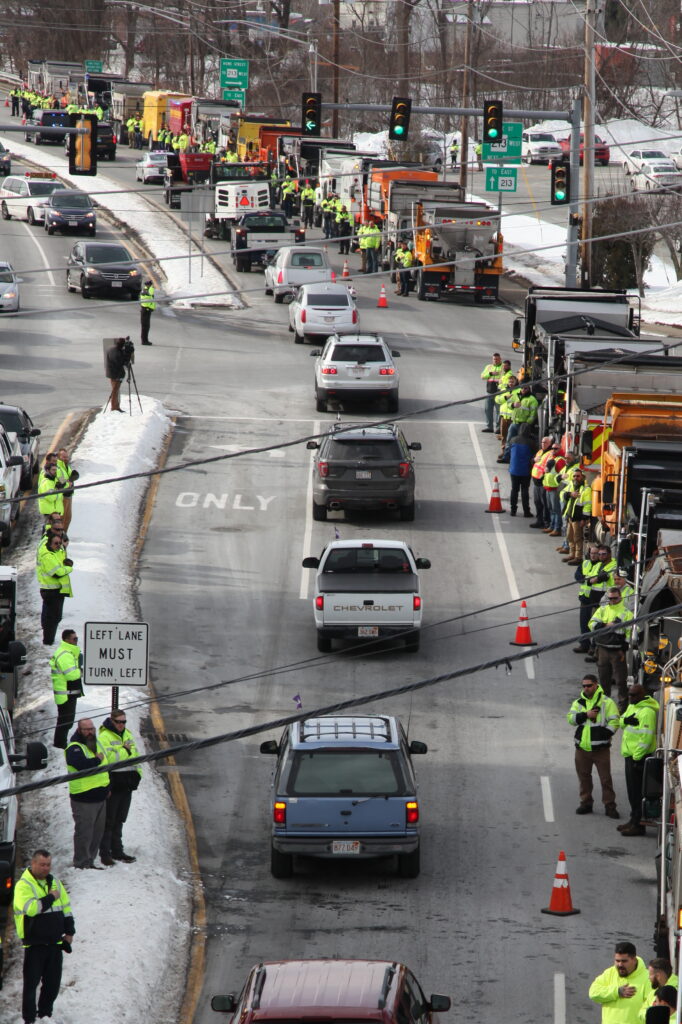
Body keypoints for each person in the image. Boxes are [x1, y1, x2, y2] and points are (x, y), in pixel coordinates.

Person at [13, 849, 75, 1024]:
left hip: (55, 942)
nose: (45, 868)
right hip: (35, 944)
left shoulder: (55, 882)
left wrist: (69, 932)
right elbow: (32, 909)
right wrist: (50, 897)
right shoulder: (23, 885)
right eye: (42, 865)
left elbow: (66, 908)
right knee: (31, 985)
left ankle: (45, 1016)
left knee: (53, 985)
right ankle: (29, 1019)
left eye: (48, 865)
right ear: (33, 864)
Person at [567, 673, 620, 817]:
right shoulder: (579, 703)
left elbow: (615, 721)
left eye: (589, 685)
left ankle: (610, 805)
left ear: (596, 685)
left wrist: (604, 735)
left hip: (601, 750)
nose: (586, 688)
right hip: (582, 750)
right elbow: (571, 719)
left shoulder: (606, 703)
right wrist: (585, 715)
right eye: (584, 686)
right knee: (584, 778)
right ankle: (586, 803)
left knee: (605, 779)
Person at [65, 718, 110, 869]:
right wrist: (96, 760)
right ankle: (81, 863)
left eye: (92, 729)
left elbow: (106, 768)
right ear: (79, 730)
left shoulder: (97, 744)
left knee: (97, 832)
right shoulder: (74, 748)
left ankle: (90, 860)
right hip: (84, 798)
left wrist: (107, 788)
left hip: (100, 797)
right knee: (84, 832)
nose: (90, 732)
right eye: (86, 729)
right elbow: (82, 766)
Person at [98, 711, 142, 865]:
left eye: (124, 722)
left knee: (119, 820)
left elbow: (136, 756)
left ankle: (117, 851)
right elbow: (108, 759)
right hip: (114, 785)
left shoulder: (127, 734)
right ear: (112, 721)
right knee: (109, 821)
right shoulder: (104, 737)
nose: (122, 725)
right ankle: (105, 853)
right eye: (119, 722)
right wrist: (125, 750)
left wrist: (138, 775)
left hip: (127, 784)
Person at [618, 684, 658, 836]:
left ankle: (638, 825)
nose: (630, 697)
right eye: (629, 694)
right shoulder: (632, 706)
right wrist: (626, 720)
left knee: (637, 793)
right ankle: (633, 820)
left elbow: (646, 739)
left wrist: (636, 758)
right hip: (630, 755)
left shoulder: (647, 712)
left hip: (639, 758)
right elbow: (621, 722)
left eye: (634, 695)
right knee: (631, 792)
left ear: (642, 694)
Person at [589, 587, 635, 709]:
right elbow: (592, 624)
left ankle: (623, 707)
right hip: (602, 650)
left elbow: (631, 633)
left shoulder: (627, 613)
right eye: (610, 598)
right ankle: (605, 705)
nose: (612, 600)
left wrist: (624, 648)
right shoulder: (602, 610)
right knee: (604, 679)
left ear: (620, 597)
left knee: (621, 681)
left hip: (617, 652)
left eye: (615, 598)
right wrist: (606, 625)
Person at [589, 942, 650, 1023]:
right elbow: (593, 993)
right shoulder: (609, 973)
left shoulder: (648, 978)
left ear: (634, 960)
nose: (620, 964)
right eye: (617, 961)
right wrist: (617, 992)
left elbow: (652, 1007)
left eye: (624, 961)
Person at [574, 545, 617, 653]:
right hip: (586, 598)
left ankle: (594, 647)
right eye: (592, 553)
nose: (595, 555)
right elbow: (579, 576)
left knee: (596, 624)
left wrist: (593, 579)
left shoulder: (605, 564)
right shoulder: (587, 563)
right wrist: (587, 579)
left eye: (598, 554)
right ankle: (584, 644)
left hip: (600, 599)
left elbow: (603, 577)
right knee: (584, 623)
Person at [37, 533, 73, 646]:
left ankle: (49, 639)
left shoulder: (57, 553)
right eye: (55, 543)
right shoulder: (48, 556)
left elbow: (61, 564)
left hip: (57, 591)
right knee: (52, 618)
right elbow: (57, 573)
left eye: (59, 543)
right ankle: (48, 641)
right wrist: (68, 568)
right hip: (51, 592)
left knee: (55, 617)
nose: (58, 545)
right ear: (49, 543)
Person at [51, 628, 83, 750]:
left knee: (66, 722)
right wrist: (80, 671)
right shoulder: (64, 654)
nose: (76, 641)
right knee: (65, 722)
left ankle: (60, 744)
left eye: (77, 638)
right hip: (66, 694)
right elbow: (70, 675)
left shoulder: (68, 653)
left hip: (68, 693)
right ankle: (60, 745)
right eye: (74, 639)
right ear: (66, 640)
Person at [562, 468, 592, 565]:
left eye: (578, 476)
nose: (575, 477)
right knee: (570, 537)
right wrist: (570, 494)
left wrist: (584, 519)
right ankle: (572, 555)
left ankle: (578, 557)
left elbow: (587, 506)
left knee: (577, 538)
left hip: (578, 518)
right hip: (570, 516)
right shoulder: (571, 485)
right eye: (574, 476)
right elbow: (562, 494)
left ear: (582, 477)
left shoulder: (586, 489)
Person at [507, 423, 535, 517]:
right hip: (525, 470)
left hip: (514, 469)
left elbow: (509, 451)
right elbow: (535, 454)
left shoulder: (513, 439)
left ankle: (513, 510)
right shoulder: (531, 442)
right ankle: (526, 511)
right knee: (524, 490)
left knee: (514, 490)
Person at [529, 436, 553, 528]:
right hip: (536, 482)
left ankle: (546, 522)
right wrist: (533, 460)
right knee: (537, 502)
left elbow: (550, 464)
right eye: (542, 442)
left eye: (545, 442)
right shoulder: (539, 452)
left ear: (549, 443)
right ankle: (539, 520)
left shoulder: (550, 453)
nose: (543, 444)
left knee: (545, 503)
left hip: (542, 482)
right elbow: (532, 461)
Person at [55, 447, 79, 533]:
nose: (66, 458)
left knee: (68, 518)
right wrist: (68, 482)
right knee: (62, 519)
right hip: (63, 497)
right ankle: (59, 537)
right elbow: (61, 481)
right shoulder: (58, 468)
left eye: (66, 457)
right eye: (63, 457)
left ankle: (63, 537)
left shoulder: (66, 466)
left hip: (69, 495)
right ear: (59, 457)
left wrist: (73, 477)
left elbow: (69, 477)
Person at [480, 352, 504, 433]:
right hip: (489, 392)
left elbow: (505, 378)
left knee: (498, 411)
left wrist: (498, 380)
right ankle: (489, 427)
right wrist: (490, 373)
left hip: (499, 392)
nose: (496, 361)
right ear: (492, 359)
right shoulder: (489, 367)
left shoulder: (503, 367)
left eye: (497, 359)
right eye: (494, 359)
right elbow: (482, 376)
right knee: (488, 410)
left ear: (500, 359)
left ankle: (498, 428)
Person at [105, 337, 128, 412]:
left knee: (115, 390)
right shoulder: (116, 353)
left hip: (113, 373)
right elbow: (121, 363)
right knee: (115, 390)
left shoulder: (113, 349)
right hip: (115, 374)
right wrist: (127, 355)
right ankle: (114, 407)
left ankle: (115, 406)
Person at [140, 279, 155, 346]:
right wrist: (151, 286)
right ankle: (144, 341)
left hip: (146, 310)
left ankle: (145, 340)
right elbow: (151, 292)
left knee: (145, 326)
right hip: (146, 310)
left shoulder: (145, 290)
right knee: (145, 326)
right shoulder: (148, 290)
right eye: (151, 284)